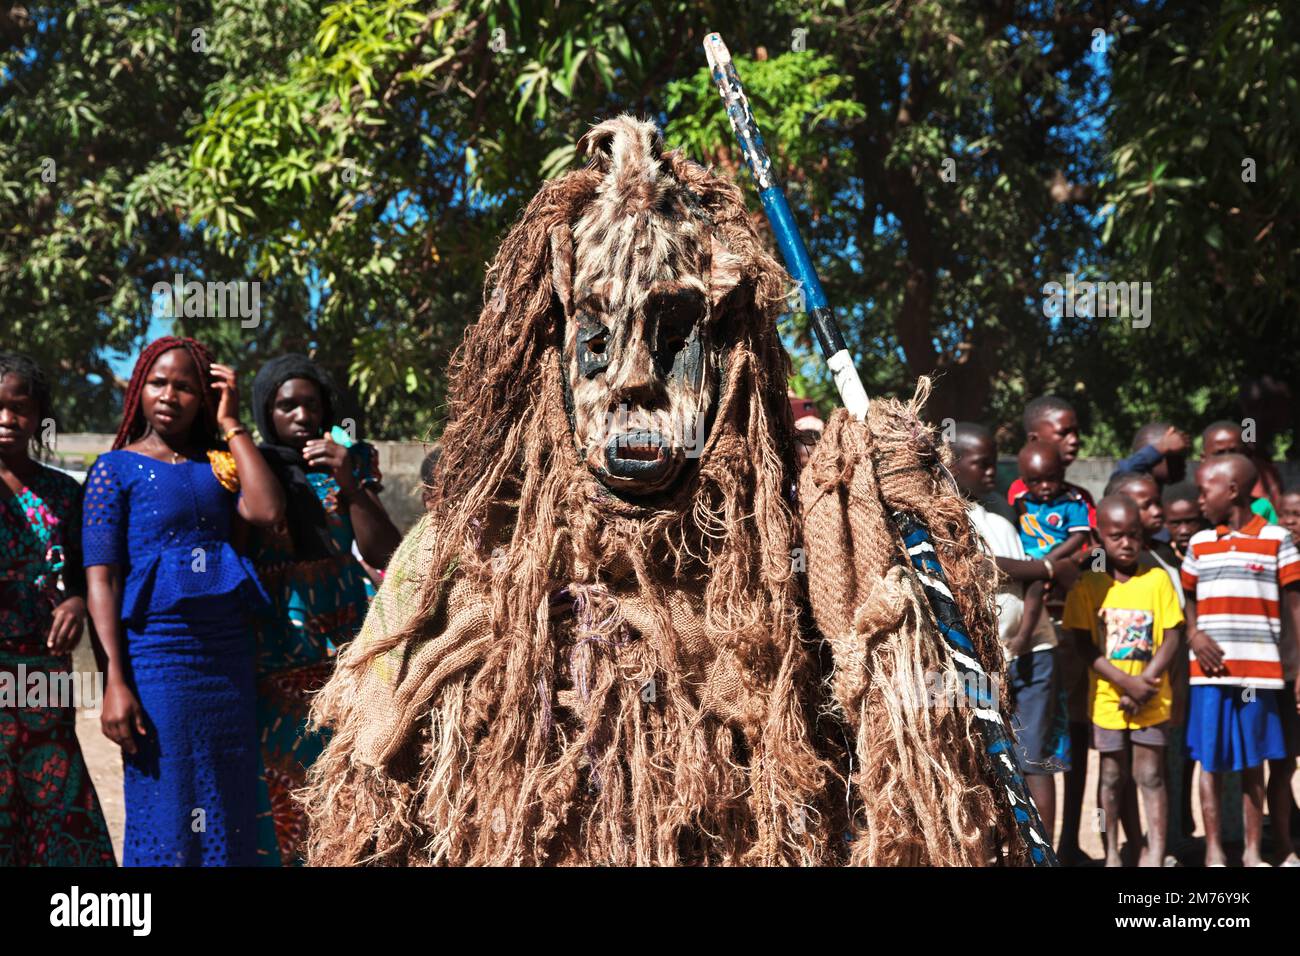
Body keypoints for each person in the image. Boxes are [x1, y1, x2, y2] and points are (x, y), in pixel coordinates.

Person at [300, 116, 1049, 866]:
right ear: (549, 369)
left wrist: (895, 515)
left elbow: (919, 757)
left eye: (671, 339)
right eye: (596, 341)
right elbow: (372, 800)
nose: (632, 378)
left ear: (731, 368)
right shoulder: (466, 561)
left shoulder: (789, 560)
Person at [82, 336, 285, 866]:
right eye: (158, 382)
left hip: (226, 659)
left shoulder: (219, 463)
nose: (169, 395)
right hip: (159, 661)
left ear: (206, 396)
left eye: (186, 386)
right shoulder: (114, 469)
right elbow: (101, 580)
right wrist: (115, 682)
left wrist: (233, 423)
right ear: (138, 388)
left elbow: (265, 512)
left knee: (230, 800)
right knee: (170, 805)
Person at [245, 354, 401, 865]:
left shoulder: (350, 461)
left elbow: (385, 554)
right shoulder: (250, 466)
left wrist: (349, 480)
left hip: (344, 634)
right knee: (280, 778)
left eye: (311, 405)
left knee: (344, 768)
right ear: (266, 411)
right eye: (286, 405)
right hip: (277, 641)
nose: (301, 416)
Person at [0, 353, 115, 866]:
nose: (6, 418)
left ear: (39, 416)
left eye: (19, 407)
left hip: (45, 675)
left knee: (51, 789)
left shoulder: (65, 494)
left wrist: (74, 603)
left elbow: (88, 577)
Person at [951, 423, 1075, 843]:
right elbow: (979, 567)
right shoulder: (942, 521)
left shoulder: (1002, 516)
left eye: (992, 463)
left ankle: (1046, 849)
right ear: (951, 464)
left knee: (1035, 758)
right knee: (983, 759)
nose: (991, 472)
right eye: (981, 464)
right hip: (979, 660)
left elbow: (1017, 575)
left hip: (1031, 650)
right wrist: (1047, 567)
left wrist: (1022, 637)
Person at [1182, 454, 1300, 867]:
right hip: (1209, 675)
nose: (1199, 500)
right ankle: (1214, 849)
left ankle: (1252, 851)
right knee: (1209, 763)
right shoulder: (1199, 543)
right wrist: (1194, 634)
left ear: (1231, 490)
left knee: (1255, 762)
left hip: (1260, 675)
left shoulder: (1276, 540)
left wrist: (1297, 668)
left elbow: (1294, 608)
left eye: (1204, 490)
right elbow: (1188, 601)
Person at [1064, 495, 1183, 867]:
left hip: (1151, 697)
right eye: (1116, 536)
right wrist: (1124, 683)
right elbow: (1084, 644)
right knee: (1111, 778)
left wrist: (1144, 682)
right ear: (1099, 537)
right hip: (1108, 699)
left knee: (1150, 775)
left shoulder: (1158, 580)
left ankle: (1156, 853)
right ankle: (1112, 853)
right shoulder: (1090, 585)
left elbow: (1172, 636)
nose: (1127, 543)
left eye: (1133, 534)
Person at [1007, 395, 1096, 526]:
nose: (1074, 440)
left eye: (1076, 432)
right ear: (1034, 440)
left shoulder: (1081, 497)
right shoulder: (1020, 494)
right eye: (1063, 433)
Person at [1201, 421, 1279, 523]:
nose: (1227, 459)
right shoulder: (1193, 505)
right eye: (1219, 453)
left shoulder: (1261, 507)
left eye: (1234, 453)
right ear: (1203, 458)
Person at [1108, 423, 1190, 492]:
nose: (1182, 462)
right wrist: (1161, 448)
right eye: (1173, 456)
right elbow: (1122, 474)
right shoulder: (1133, 491)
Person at [1163, 481, 1206, 565]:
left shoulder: (1214, 554)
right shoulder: (1161, 558)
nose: (1184, 531)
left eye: (1190, 522)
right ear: (1165, 523)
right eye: (1176, 523)